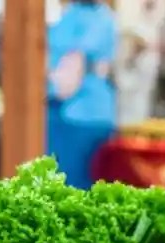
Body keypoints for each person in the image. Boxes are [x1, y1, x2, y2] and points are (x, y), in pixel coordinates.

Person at [47, 0, 118, 189]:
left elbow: (71, 72)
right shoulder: (89, 15)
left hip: (76, 116)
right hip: (90, 114)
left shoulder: (95, 19)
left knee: (69, 187)